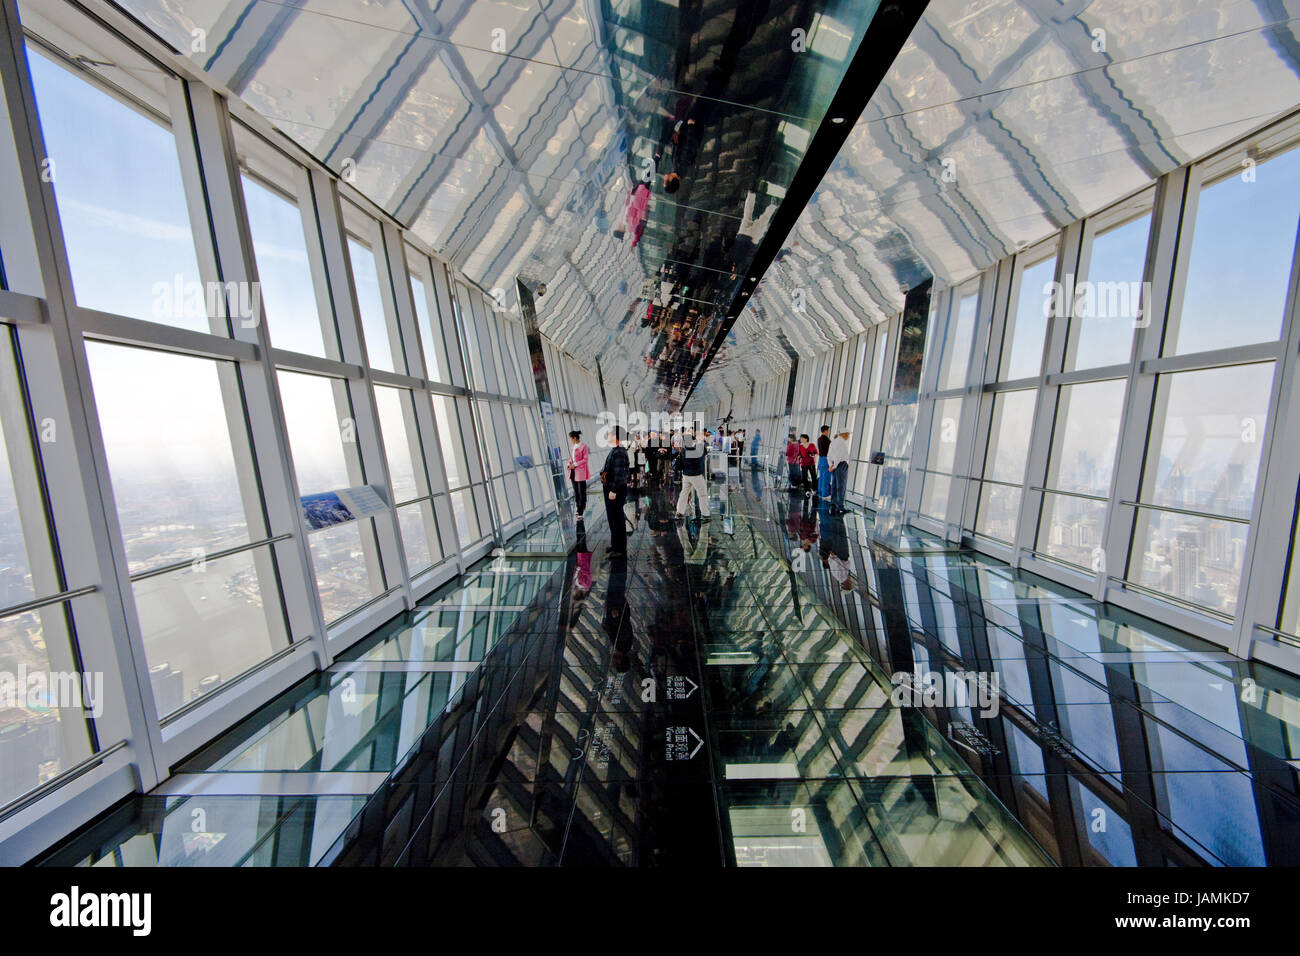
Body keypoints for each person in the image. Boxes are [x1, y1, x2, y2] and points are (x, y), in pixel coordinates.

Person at [601, 426, 631, 555]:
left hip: (615, 490)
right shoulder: (616, 450)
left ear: (616, 436)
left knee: (617, 518)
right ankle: (615, 545)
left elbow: (620, 474)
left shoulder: (619, 452)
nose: (608, 437)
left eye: (609, 434)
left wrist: (613, 490)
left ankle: (619, 548)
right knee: (613, 518)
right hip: (612, 488)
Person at [675, 428, 710, 519]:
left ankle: (679, 511)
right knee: (702, 494)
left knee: (684, 493)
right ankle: (705, 514)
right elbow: (705, 452)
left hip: (686, 475)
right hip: (696, 476)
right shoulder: (698, 449)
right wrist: (699, 441)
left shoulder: (683, 451)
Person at [828, 428, 851, 514]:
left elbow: (829, 455)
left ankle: (833, 504)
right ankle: (840, 506)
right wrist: (834, 466)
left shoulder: (833, 441)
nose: (848, 436)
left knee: (834, 485)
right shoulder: (842, 443)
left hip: (834, 465)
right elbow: (839, 455)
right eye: (848, 434)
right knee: (841, 486)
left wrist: (831, 465)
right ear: (844, 434)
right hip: (841, 465)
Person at [568, 430, 589, 518]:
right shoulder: (573, 447)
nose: (570, 440)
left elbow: (585, 459)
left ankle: (581, 509)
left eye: (571, 438)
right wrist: (569, 464)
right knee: (576, 491)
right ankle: (578, 508)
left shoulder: (583, 446)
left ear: (575, 438)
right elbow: (571, 458)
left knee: (581, 491)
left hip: (580, 471)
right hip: (573, 471)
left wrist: (575, 465)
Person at [816, 425, 832, 500]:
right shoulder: (826, 440)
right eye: (828, 430)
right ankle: (825, 494)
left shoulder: (819, 439)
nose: (829, 432)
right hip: (826, 460)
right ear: (825, 431)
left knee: (821, 477)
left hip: (821, 459)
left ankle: (820, 492)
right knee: (826, 477)